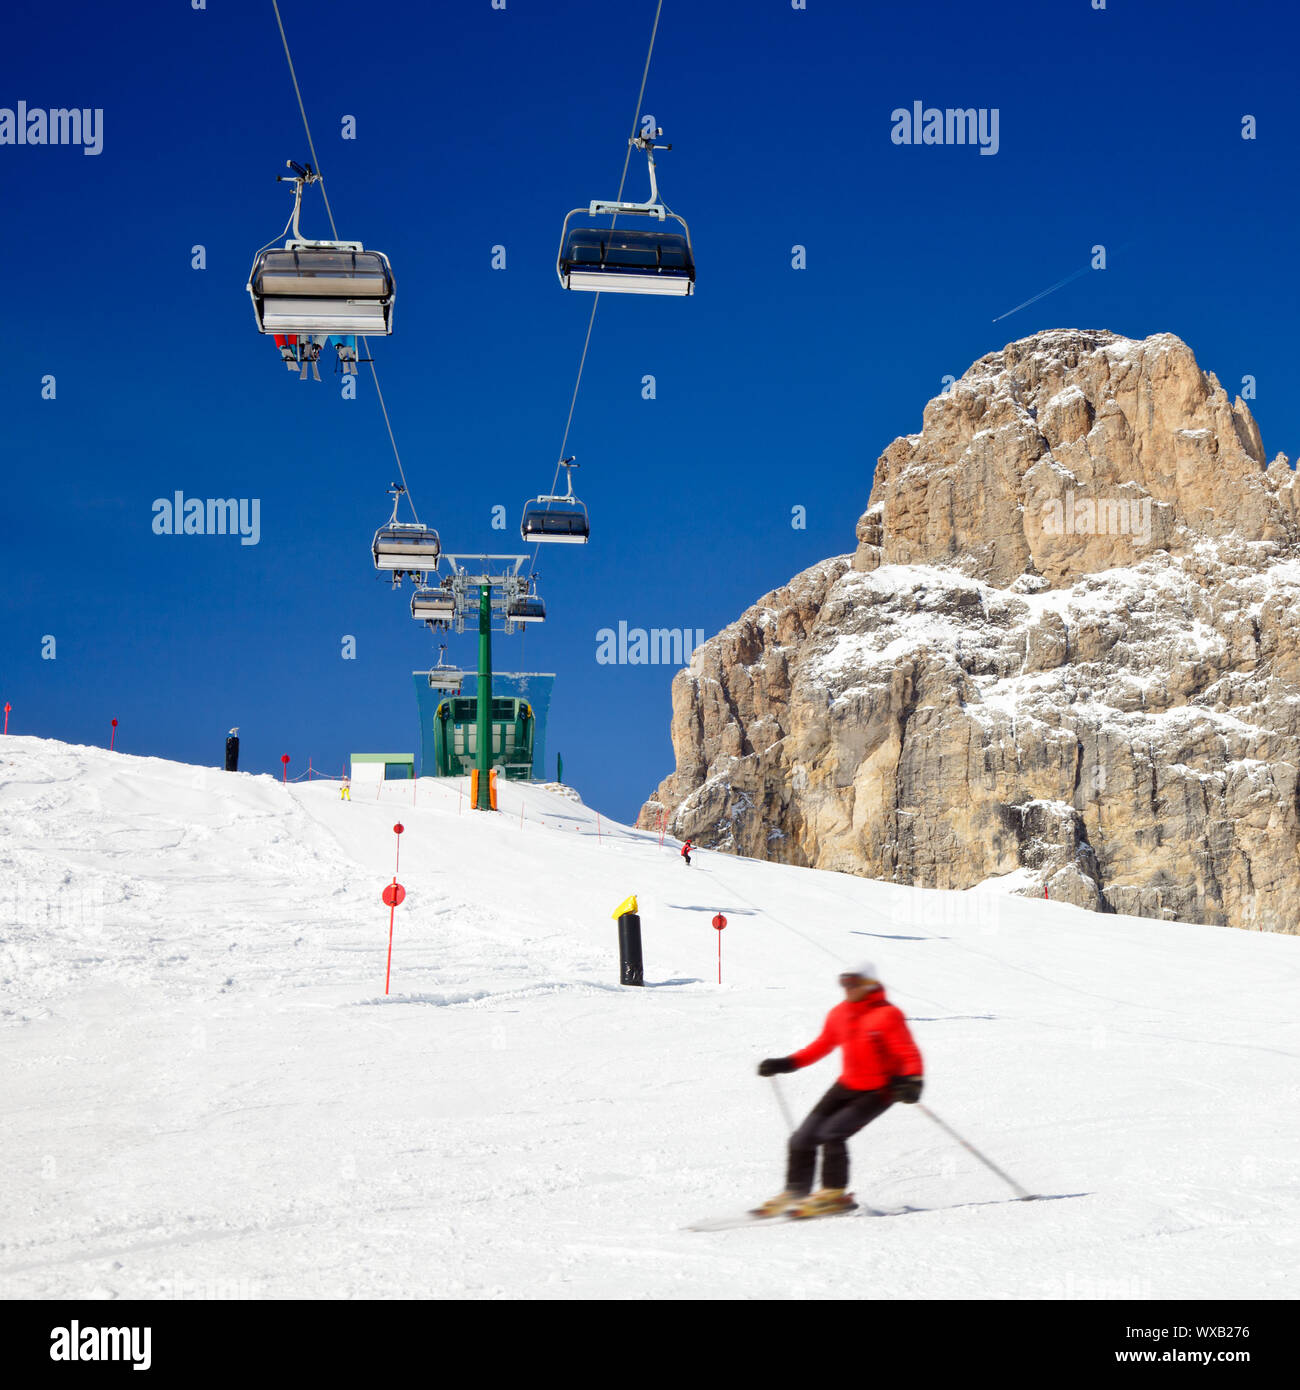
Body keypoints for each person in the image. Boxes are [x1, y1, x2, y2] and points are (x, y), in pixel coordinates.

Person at [754, 961, 923, 1218]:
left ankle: (833, 1194)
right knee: (803, 1138)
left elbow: (908, 1052)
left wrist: (913, 1081)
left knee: (833, 1133)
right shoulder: (839, 1013)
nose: (847, 988)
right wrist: (786, 1063)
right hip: (847, 1085)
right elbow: (821, 1045)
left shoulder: (888, 1015)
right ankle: (796, 1192)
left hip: (880, 1090)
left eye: (853, 982)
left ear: (868, 984)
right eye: (843, 982)